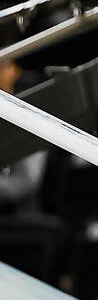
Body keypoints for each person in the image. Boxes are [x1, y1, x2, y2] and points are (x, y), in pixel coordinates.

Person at [0, 59, 47, 215]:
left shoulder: (27, 113)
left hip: (17, 217)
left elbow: (27, 181)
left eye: (2, 68)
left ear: (14, 71)